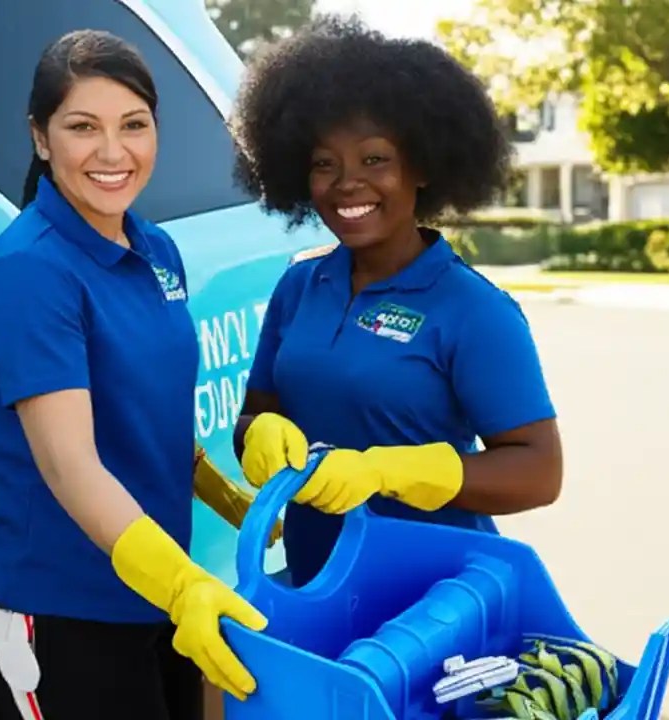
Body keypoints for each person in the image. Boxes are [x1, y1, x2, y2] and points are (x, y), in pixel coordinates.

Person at [0, 29, 268, 720]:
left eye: (133, 125)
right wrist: (182, 583)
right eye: (82, 127)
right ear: (40, 138)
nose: (112, 152)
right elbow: (70, 465)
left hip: (153, 594)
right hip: (60, 610)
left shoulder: (154, 247)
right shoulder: (31, 270)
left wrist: (228, 498)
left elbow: (145, 413)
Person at [228, 15, 564, 589]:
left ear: (423, 166)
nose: (347, 183)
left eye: (374, 159)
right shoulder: (299, 286)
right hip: (317, 587)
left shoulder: (474, 310)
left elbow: (539, 470)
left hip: (431, 599)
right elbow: (255, 418)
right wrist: (256, 436)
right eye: (324, 164)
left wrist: (390, 471)